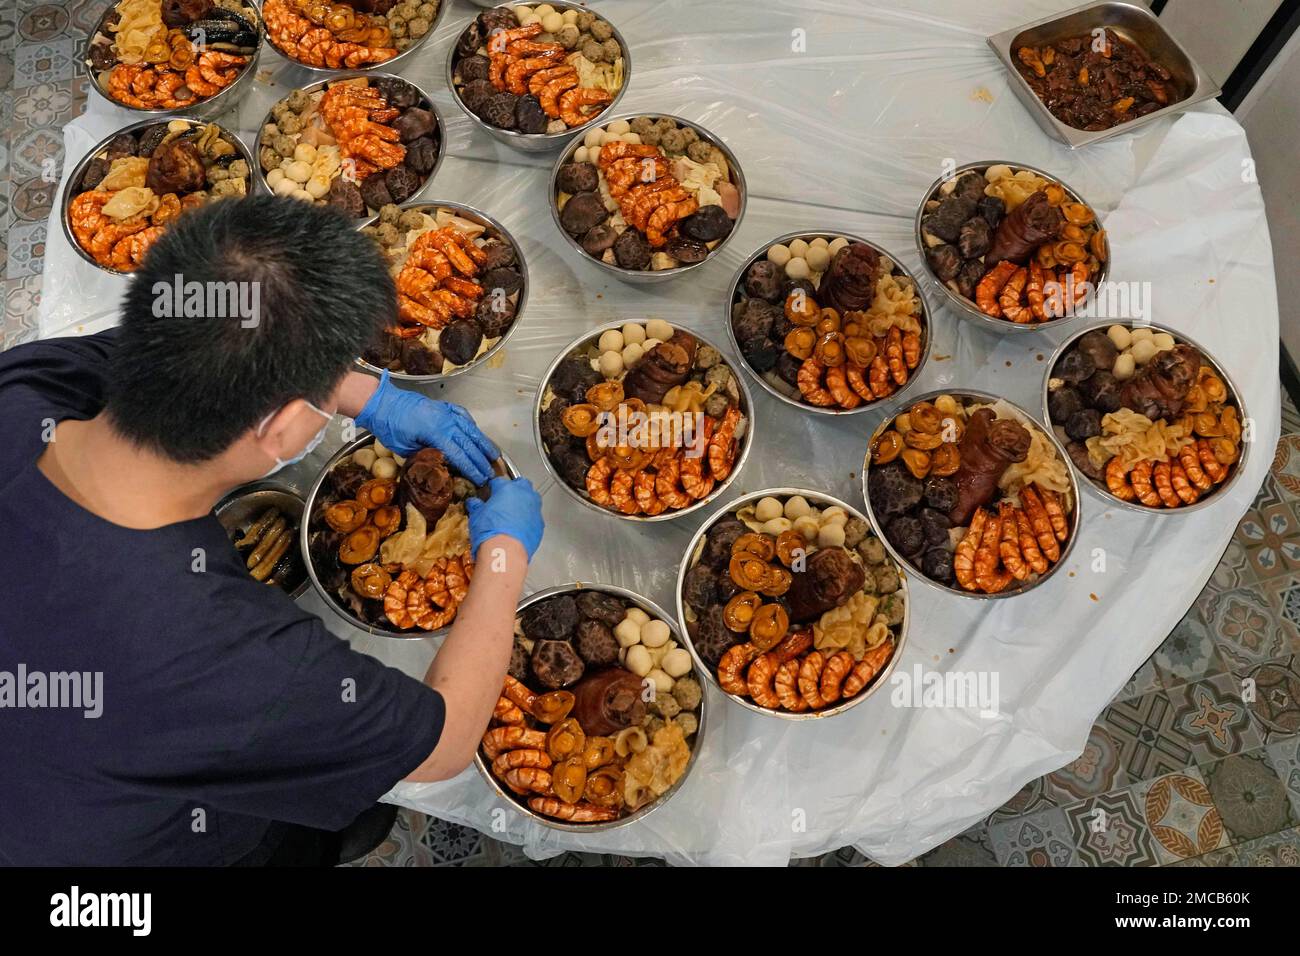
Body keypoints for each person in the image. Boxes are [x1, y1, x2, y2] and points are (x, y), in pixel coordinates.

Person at [0, 196, 544, 865]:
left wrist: (356, 392)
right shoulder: (223, 655)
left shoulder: (23, 390)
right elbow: (447, 742)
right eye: (322, 397)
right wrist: (504, 556)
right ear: (284, 429)